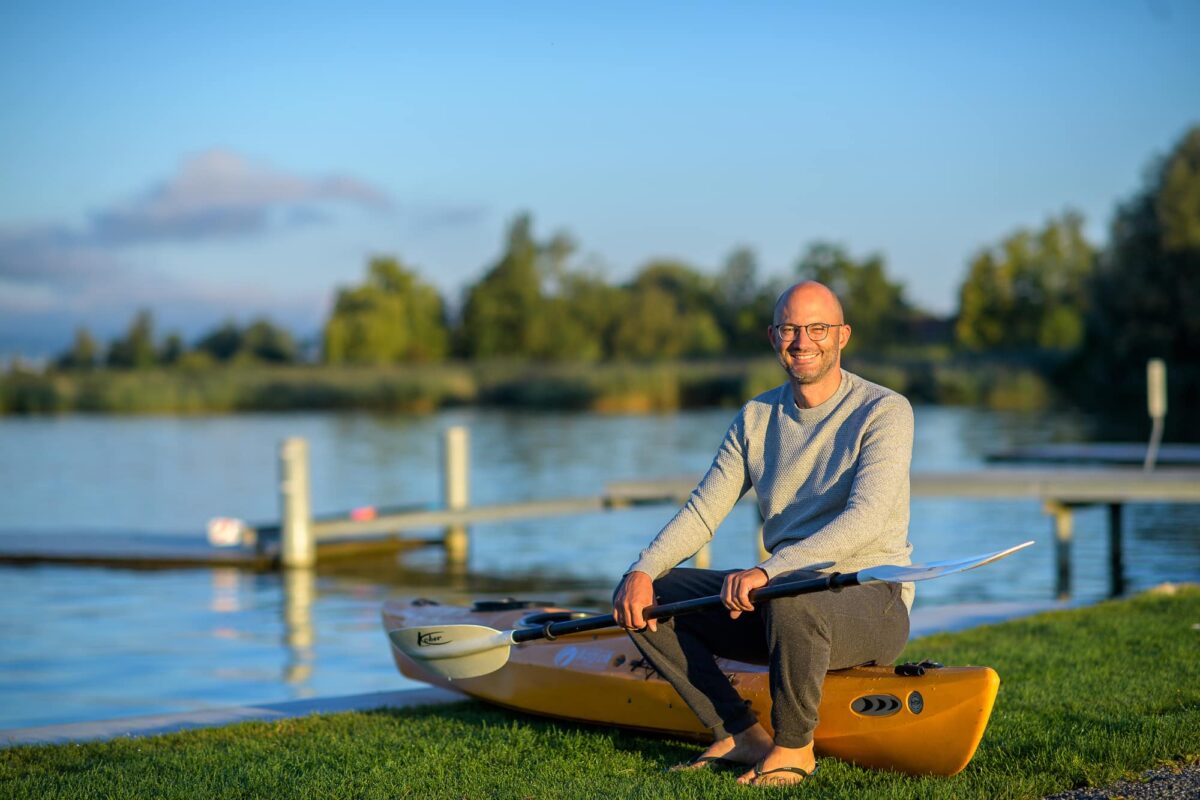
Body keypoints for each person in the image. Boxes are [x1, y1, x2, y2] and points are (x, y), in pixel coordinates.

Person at [612, 280, 914, 788]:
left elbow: (865, 517)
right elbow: (704, 511)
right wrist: (641, 569)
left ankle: (795, 749)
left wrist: (768, 571)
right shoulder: (755, 418)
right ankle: (738, 732)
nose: (803, 341)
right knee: (651, 598)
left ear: (842, 335)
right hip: (778, 597)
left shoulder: (884, 410)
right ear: (773, 336)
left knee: (793, 599)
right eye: (791, 329)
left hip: (870, 598)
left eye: (817, 328)